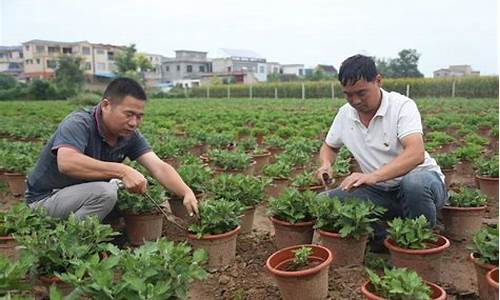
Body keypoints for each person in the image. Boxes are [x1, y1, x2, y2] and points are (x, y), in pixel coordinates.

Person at [316, 54, 447, 251]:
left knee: (414, 184)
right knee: (324, 202)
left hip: (423, 184)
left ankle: (420, 243)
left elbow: (416, 153)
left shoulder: (402, 106)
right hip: (381, 192)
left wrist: (373, 176)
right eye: (348, 94)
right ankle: (384, 241)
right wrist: (326, 164)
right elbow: (330, 146)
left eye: (361, 93)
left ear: (378, 80)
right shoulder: (345, 113)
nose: (355, 101)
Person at [25, 77, 198, 221]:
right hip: (46, 198)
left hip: (79, 194)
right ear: (106, 105)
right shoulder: (79, 123)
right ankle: (72, 243)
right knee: (106, 192)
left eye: (139, 117)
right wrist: (123, 171)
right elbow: (67, 162)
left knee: (121, 187)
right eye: (128, 114)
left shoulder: (129, 134)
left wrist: (186, 192)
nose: (134, 123)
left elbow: (158, 167)